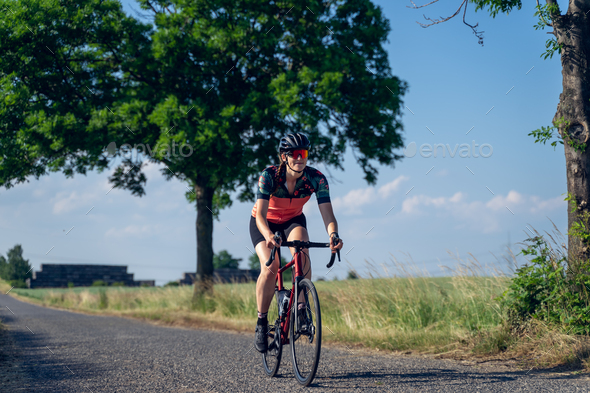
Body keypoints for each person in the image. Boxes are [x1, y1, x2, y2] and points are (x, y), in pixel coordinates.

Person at [249, 132, 344, 353]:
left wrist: (333, 235)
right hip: (264, 223)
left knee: (302, 255)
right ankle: (261, 322)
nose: (300, 158)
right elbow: (261, 216)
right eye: (295, 154)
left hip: (293, 220)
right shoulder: (269, 176)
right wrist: (269, 236)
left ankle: (301, 306)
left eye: (304, 153)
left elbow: (328, 216)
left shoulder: (316, 179)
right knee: (270, 267)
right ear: (284, 156)